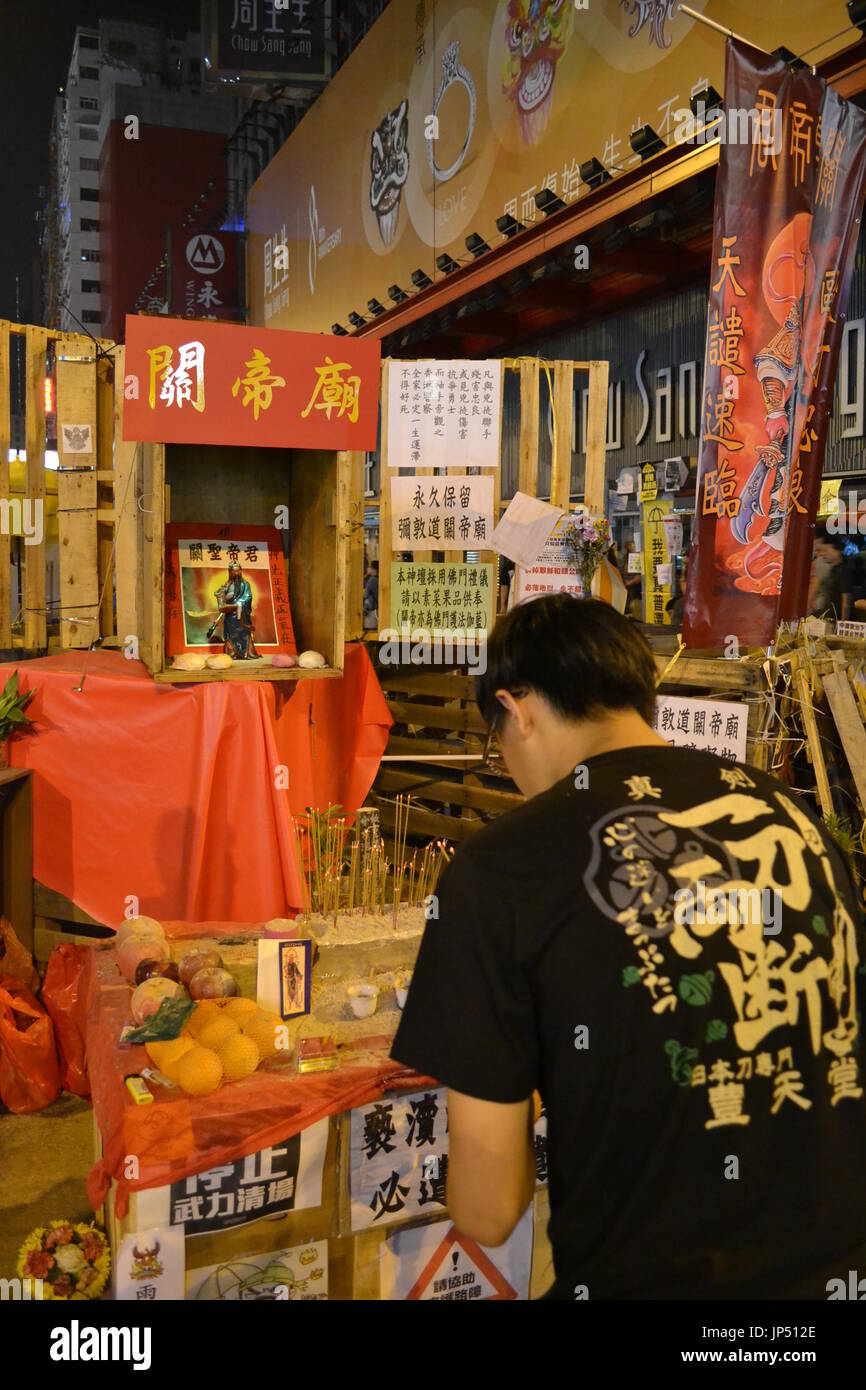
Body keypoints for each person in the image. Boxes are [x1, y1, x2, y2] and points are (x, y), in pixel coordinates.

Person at [392, 593, 866, 1299]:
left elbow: (488, 1212)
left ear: (516, 708)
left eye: (499, 743)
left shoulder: (502, 868)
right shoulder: (794, 821)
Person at [809, 531, 855, 619]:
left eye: (825, 550)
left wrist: (842, 624)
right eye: (820, 551)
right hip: (829, 620)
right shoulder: (833, 569)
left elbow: (846, 600)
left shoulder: (844, 569)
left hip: (837, 623)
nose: (822, 554)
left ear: (837, 550)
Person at [363, 560, 379, 630]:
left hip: (371, 611)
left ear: (373, 569)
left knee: (369, 630)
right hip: (378, 610)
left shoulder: (372, 580)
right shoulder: (380, 578)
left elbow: (365, 594)